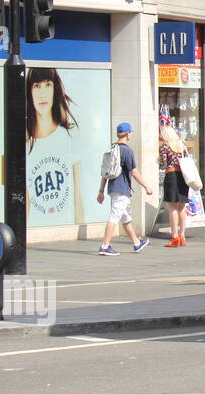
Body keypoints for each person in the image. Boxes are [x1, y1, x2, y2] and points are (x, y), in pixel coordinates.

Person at [26, 66, 83, 227]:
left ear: (54, 88)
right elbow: (26, 199)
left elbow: (78, 192)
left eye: (47, 84)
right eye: (37, 86)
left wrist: (79, 225)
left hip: (64, 222)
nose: (42, 93)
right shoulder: (25, 142)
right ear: (29, 91)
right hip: (34, 225)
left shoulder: (70, 134)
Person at [96, 121, 153, 255]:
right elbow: (134, 172)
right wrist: (146, 186)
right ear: (128, 134)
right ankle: (105, 245)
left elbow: (105, 172)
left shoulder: (112, 148)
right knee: (114, 216)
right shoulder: (127, 151)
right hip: (122, 189)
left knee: (126, 217)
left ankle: (136, 243)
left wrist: (101, 191)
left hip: (113, 188)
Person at [159, 114, 190, 248]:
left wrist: (158, 160)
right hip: (183, 176)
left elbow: (163, 164)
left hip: (171, 176)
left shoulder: (165, 146)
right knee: (182, 206)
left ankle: (174, 236)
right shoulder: (181, 145)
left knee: (172, 207)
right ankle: (182, 235)